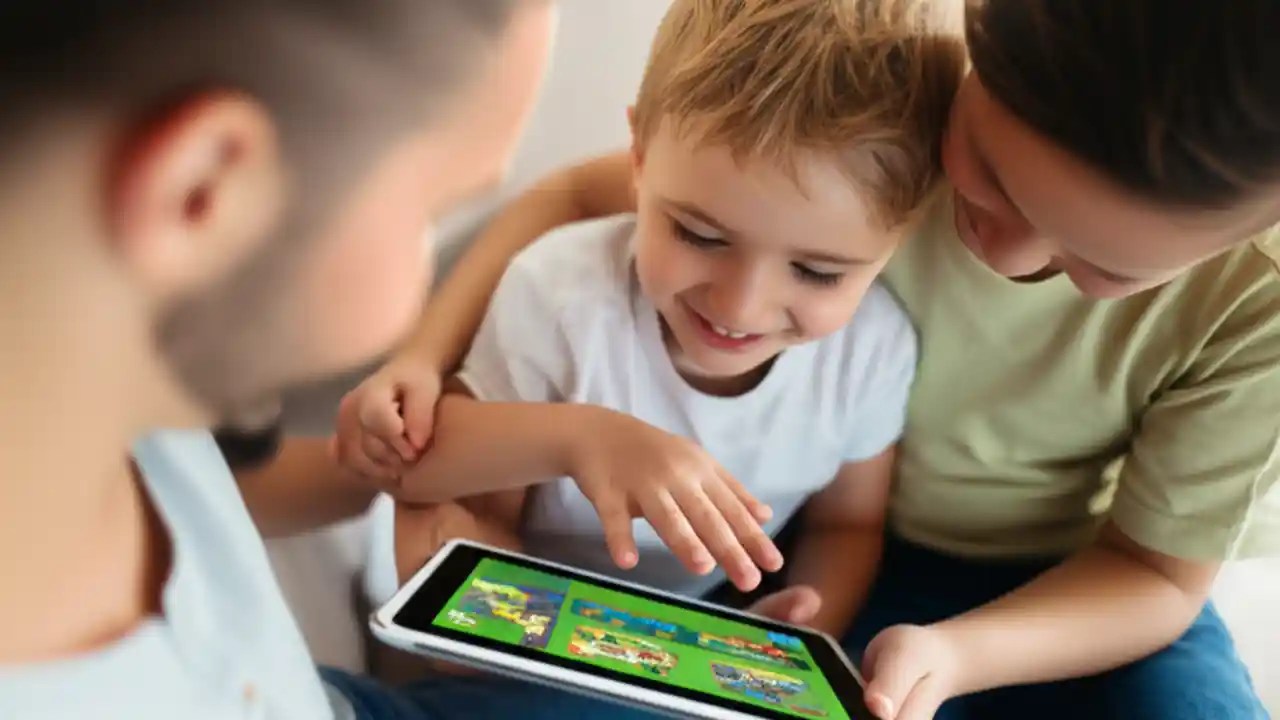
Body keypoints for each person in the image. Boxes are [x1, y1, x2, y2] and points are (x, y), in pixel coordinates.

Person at [337, 1, 1280, 719]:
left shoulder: (1254, 301)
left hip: (1055, 587)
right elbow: (593, 196)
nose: (1012, 254)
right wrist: (423, 354)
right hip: (776, 535)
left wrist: (955, 655)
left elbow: (1155, 577)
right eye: (989, 178)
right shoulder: (899, 109)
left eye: (1102, 264)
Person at [0, 2, 620, 718]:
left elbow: (232, 486)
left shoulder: (124, 395)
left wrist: (384, 468)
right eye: (433, 213)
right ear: (203, 193)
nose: (426, 272)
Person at [356, 0, 965, 648]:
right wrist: (584, 439)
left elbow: (847, 528)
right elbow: (415, 468)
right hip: (508, 631)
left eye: (818, 273)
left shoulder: (872, 353)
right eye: (699, 234)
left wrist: (786, 643)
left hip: (666, 644)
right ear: (639, 158)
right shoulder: (562, 297)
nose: (739, 307)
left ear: (901, 238)